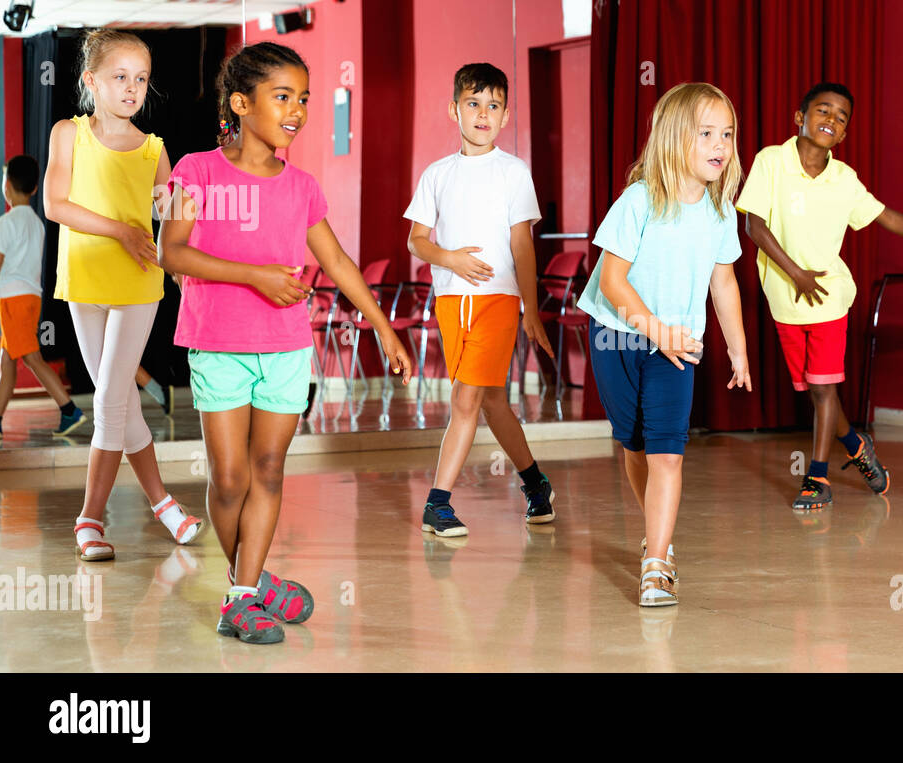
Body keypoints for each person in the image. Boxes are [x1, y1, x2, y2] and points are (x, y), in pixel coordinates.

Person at [159, 42, 412, 644]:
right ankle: (254, 582)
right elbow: (172, 252)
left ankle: (241, 597)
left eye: (303, 98)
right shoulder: (191, 170)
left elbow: (339, 261)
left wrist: (383, 325)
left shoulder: (302, 185)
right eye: (283, 97)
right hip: (217, 345)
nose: (297, 110)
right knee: (228, 481)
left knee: (268, 471)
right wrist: (255, 275)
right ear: (241, 104)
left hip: (286, 348)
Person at [737, 81, 903, 511]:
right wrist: (795, 274)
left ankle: (816, 479)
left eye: (841, 117)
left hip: (829, 295)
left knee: (823, 388)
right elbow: (754, 227)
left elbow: (887, 216)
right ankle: (856, 444)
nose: (831, 120)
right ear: (800, 117)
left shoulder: (843, 179)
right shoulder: (771, 161)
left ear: (846, 132)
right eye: (823, 110)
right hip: (785, 297)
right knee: (814, 393)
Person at [576, 82, 752, 606]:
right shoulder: (640, 199)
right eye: (706, 134)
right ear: (676, 137)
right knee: (635, 445)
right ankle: (658, 535)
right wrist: (655, 330)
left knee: (667, 454)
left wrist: (738, 348)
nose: (720, 144)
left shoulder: (721, 210)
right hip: (615, 336)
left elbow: (724, 283)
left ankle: (657, 561)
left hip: (678, 346)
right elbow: (612, 282)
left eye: (727, 134)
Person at [43, 30, 203, 562]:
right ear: (91, 80)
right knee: (123, 401)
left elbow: (170, 224)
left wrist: (184, 261)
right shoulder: (68, 133)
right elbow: (56, 204)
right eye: (121, 76)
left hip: (138, 284)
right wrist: (120, 230)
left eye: (141, 78)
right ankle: (163, 504)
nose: (133, 87)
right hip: (84, 281)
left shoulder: (154, 150)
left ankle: (89, 518)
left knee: (111, 401)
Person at [404, 62, 557, 538]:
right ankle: (535, 483)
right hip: (451, 301)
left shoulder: (514, 173)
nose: (483, 114)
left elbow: (522, 246)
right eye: (473, 104)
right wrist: (449, 258)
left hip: (496, 301)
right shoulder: (436, 174)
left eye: (493, 106)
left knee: (466, 397)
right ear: (454, 110)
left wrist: (530, 307)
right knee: (492, 402)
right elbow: (416, 242)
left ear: (506, 116)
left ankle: (438, 503)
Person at [0, 154, 87, 439]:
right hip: (30, 299)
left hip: (11, 300)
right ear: (35, 188)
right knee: (8, 361)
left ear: (7, 184)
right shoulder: (37, 224)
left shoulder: (5, 223)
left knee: (32, 358)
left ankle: (69, 409)